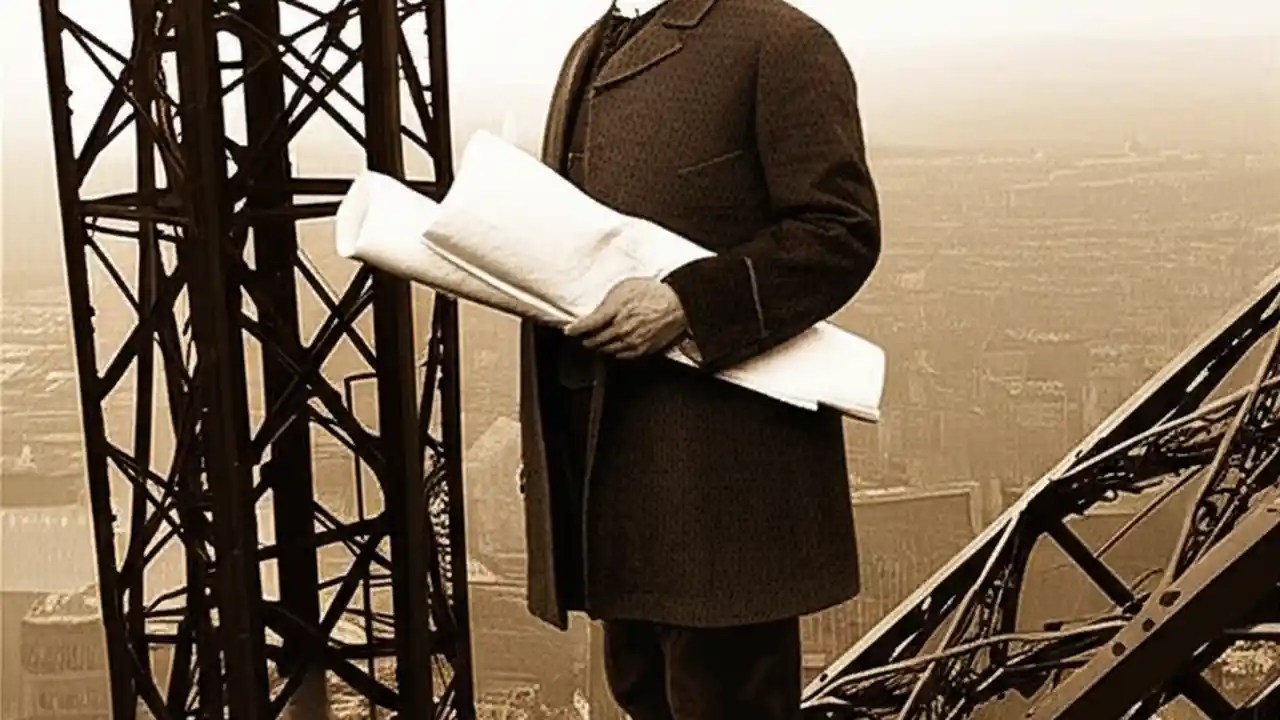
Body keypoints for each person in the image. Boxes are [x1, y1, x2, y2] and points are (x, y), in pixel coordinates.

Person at [516, 0, 881, 717]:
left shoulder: (781, 42)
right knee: (642, 694)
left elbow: (839, 232)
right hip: (611, 471)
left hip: (723, 483)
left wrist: (688, 305)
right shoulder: (592, 44)